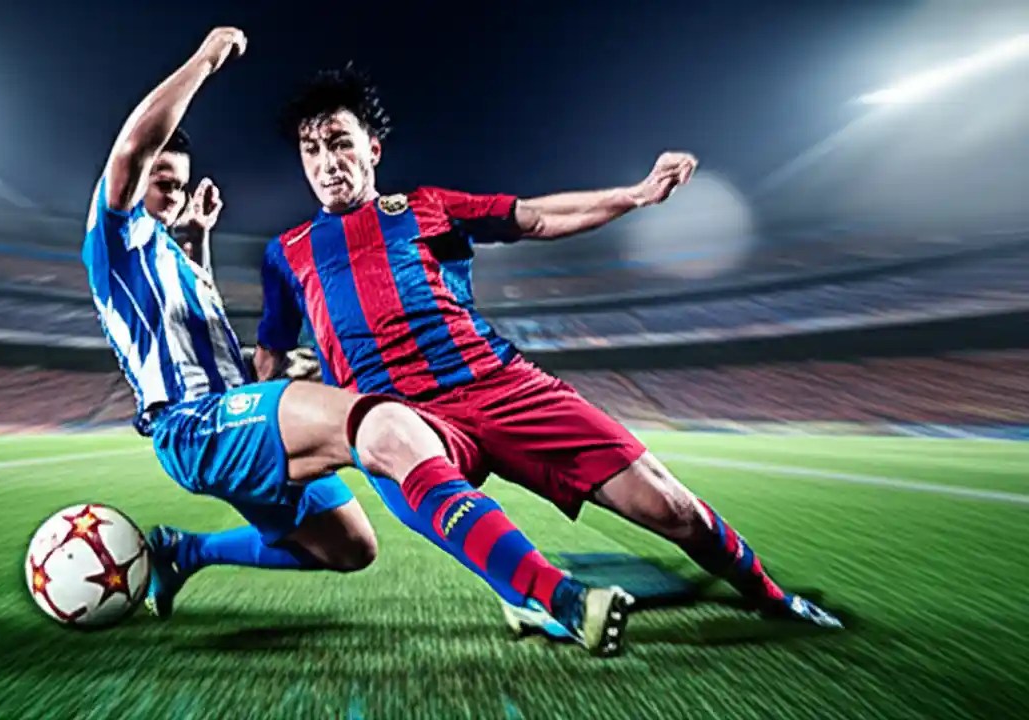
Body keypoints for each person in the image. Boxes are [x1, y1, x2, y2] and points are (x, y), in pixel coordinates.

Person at [83, 28, 634, 657]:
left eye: (177, 186)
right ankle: (547, 593)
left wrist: (198, 236)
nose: (168, 194)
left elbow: (196, 336)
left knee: (351, 548)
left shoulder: (175, 257)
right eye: (160, 182)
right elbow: (131, 150)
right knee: (377, 417)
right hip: (194, 427)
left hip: (235, 424)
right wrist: (205, 61)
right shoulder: (115, 238)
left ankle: (183, 551)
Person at [255, 64, 842, 632]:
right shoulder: (287, 252)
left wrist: (635, 195)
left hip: (498, 384)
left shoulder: (425, 207)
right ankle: (548, 595)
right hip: (398, 420)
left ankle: (768, 595)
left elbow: (533, 217)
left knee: (669, 507)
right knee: (407, 462)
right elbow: (270, 357)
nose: (328, 162)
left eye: (339, 142)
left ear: (372, 149)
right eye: (312, 150)